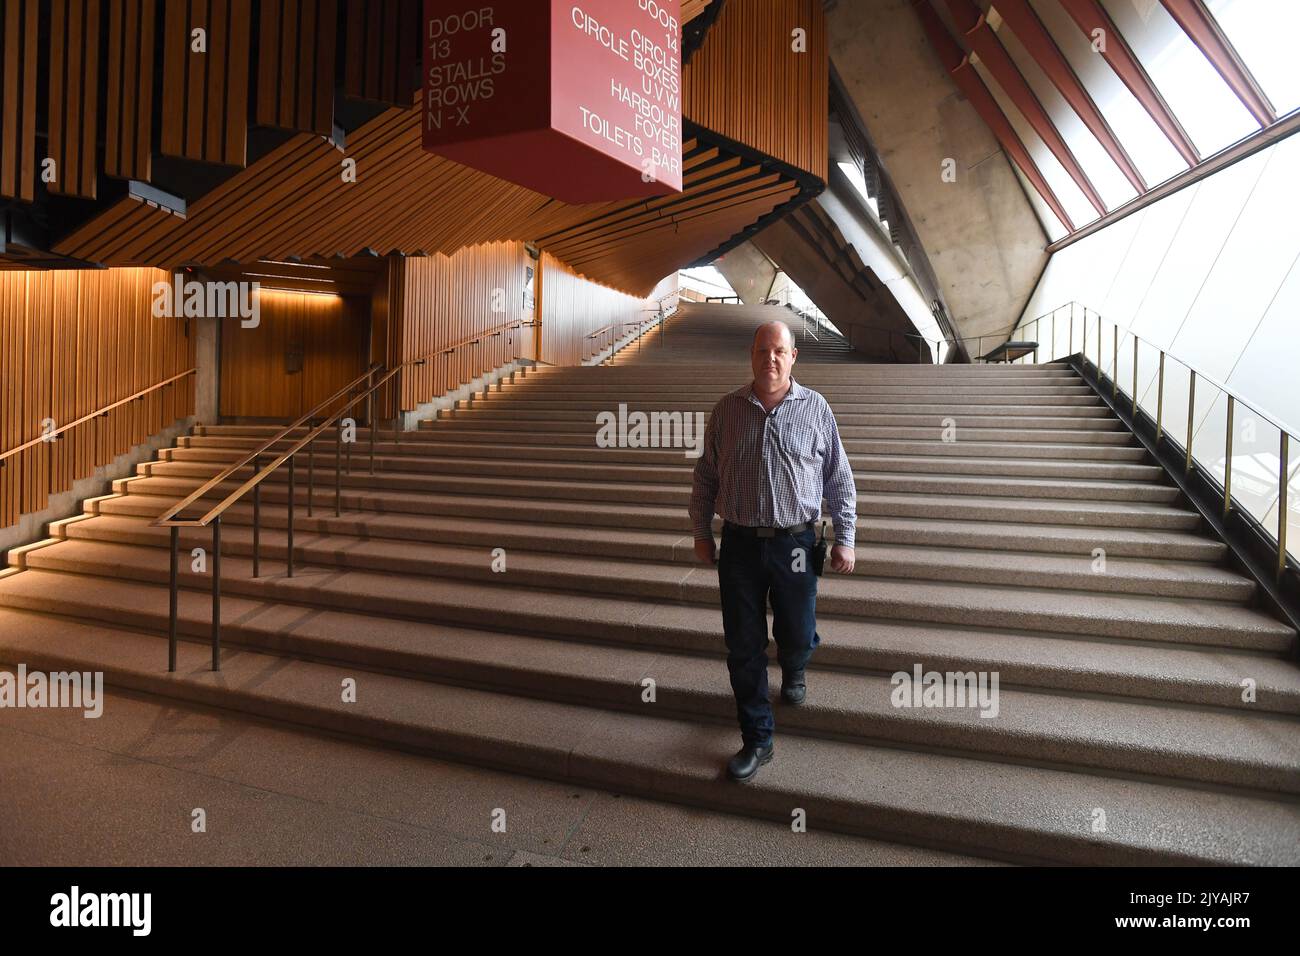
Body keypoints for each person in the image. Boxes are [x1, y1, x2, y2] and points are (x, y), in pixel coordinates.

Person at [689, 320, 857, 782]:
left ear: (793, 357)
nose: (771, 359)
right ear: (752, 354)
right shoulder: (726, 411)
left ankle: (796, 663)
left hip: (797, 543)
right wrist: (702, 532)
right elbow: (706, 476)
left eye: (779, 351)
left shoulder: (816, 408)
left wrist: (846, 536)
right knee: (743, 645)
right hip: (739, 543)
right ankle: (757, 738)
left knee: (797, 632)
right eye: (763, 350)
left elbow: (838, 477)